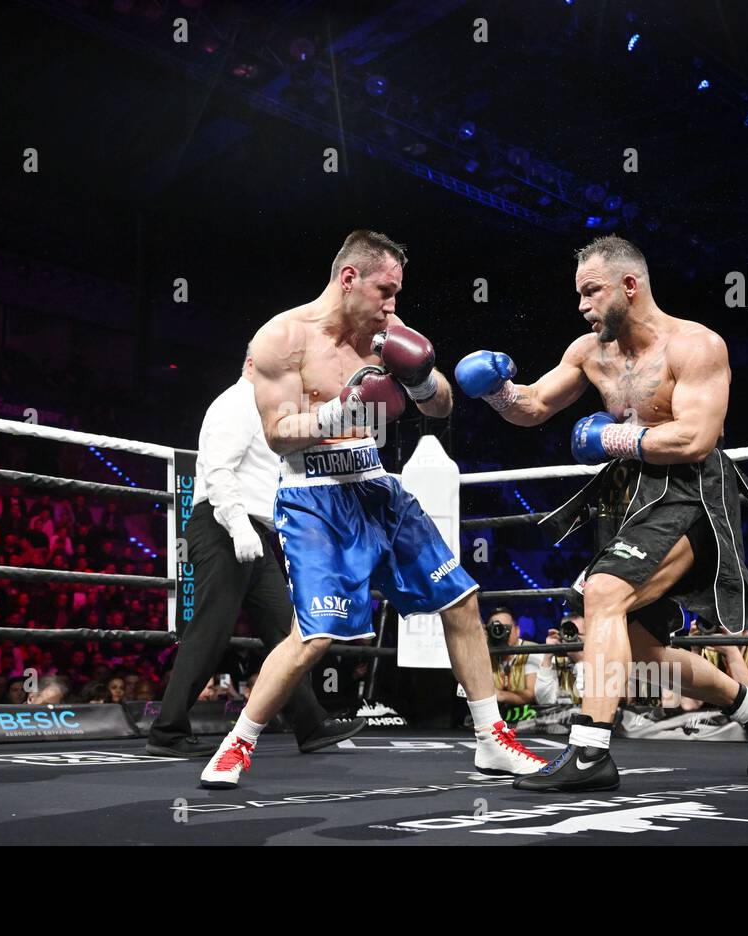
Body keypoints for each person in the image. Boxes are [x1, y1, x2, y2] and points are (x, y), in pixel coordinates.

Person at [456, 235, 748, 791]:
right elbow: (534, 406)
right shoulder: (587, 352)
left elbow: (696, 437)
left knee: (603, 593)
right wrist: (495, 391)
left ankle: (591, 749)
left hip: (691, 496)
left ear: (630, 285)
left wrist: (612, 436)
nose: (581, 305)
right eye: (578, 294)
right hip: (628, 500)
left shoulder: (694, 346)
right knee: (646, 647)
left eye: (590, 292)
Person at [199, 230, 547, 789]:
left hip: (377, 487)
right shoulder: (281, 339)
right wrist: (344, 409)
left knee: (461, 599)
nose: (393, 304)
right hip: (313, 497)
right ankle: (238, 743)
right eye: (385, 290)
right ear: (349, 279)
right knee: (314, 636)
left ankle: (492, 740)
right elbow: (278, 435)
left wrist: (418, 376)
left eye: (397, 292)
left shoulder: (390, 334)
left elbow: (441, 407)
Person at [147, 359, 365, 758]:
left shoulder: (270, 411)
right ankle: (167, 730)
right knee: (210, 630)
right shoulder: (235, 403)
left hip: (257, 534)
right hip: (223, 526)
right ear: (252, 363)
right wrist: (238, 526)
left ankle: (310, 722)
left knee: (288, 631)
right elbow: (217, 471)